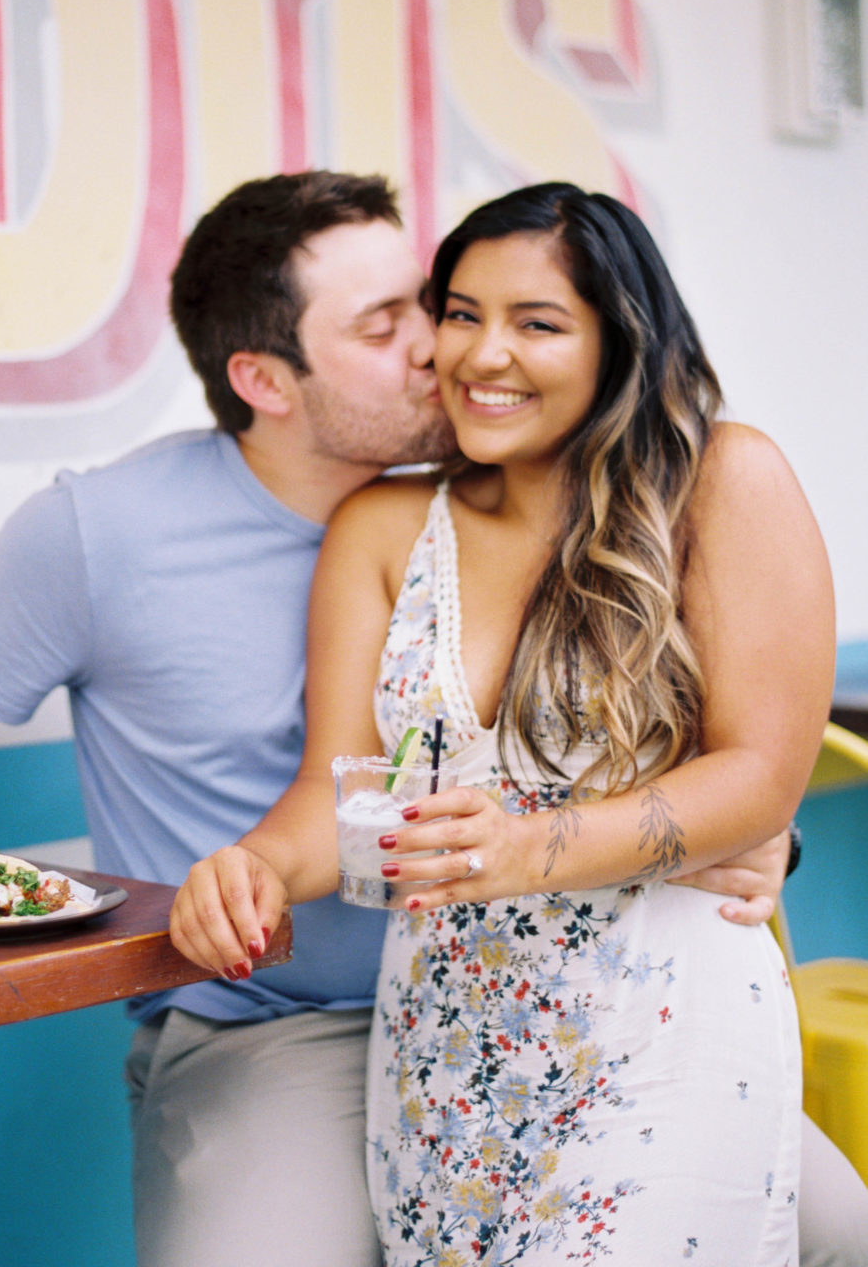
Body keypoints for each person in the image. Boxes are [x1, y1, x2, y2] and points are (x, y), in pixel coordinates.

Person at [0, 173, 863, 1267]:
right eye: (399, 322)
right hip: (287, 1027)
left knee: (834, 1226)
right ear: (266, 379)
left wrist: (733, 825)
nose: (444, 350)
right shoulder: (120, 532)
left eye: (436, 306)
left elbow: (730, 745)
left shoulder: (617, 476)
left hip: (599, 984)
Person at [171, 182, 850, 1264]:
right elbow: (333, 793)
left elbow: (763, 773)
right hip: (445, 1051)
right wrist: (250, 867)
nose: (483, 354)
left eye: (537, 322)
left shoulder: (724, 481)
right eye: (460, 312)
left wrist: (531, 845)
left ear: (617, 339)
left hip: (658, 1025)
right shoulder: (383, 526)